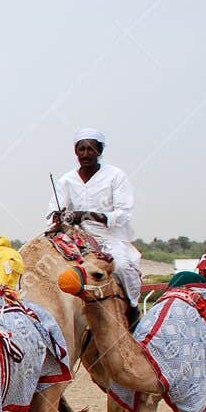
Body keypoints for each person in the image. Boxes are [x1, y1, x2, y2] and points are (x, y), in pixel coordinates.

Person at [49, 128, 141, 319]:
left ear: (99, 151)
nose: (86, 154)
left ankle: (132, 309)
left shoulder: (116, 176)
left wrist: (86, 215)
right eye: (81, 149)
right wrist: (57, 217)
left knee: (122, 267)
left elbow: (123, 214)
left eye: (91, 149)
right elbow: (54, 210)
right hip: (76, 237)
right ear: (76, 152)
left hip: (109, 237)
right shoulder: (66, 180)